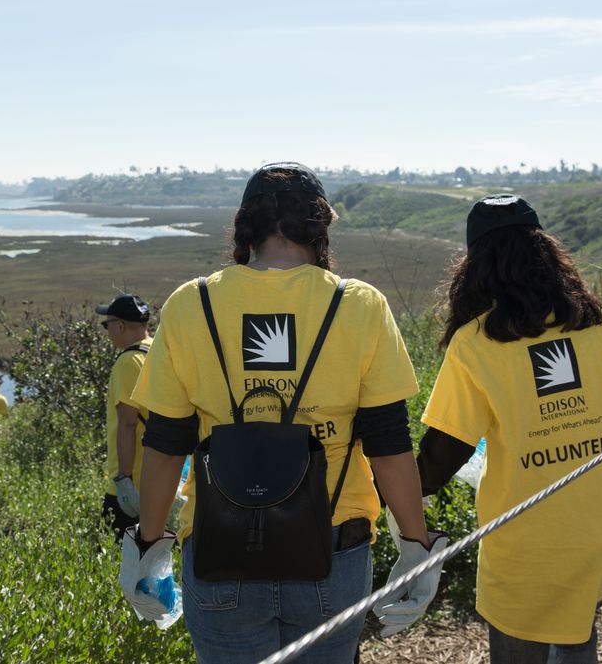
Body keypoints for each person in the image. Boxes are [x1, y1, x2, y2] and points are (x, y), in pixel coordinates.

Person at [121, 162, 445, 663]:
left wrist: (147, 543)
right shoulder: (359, 305)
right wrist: (417, 545)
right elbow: (388, 441)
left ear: (244, 227)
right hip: (333, 555)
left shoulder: (192, 304)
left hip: (219, 549)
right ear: (319, 227)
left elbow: (165, 443)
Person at [415, 196, 602, 664]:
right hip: (597, 535)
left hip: (524, 547)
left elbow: (441, 458)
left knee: (522, 643)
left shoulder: (476, 344)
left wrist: (396, 497)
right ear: (546, 253)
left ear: (476, 266)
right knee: (578, 632)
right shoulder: (596, 324)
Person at [95, 294, 152, 542]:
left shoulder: (129, 361)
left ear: (120, 325)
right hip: (159, 473)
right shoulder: (158, 351)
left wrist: (124, 480)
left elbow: (128, 423)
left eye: (106, 324)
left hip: (134, 479)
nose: (106, 330)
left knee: (114, 557)